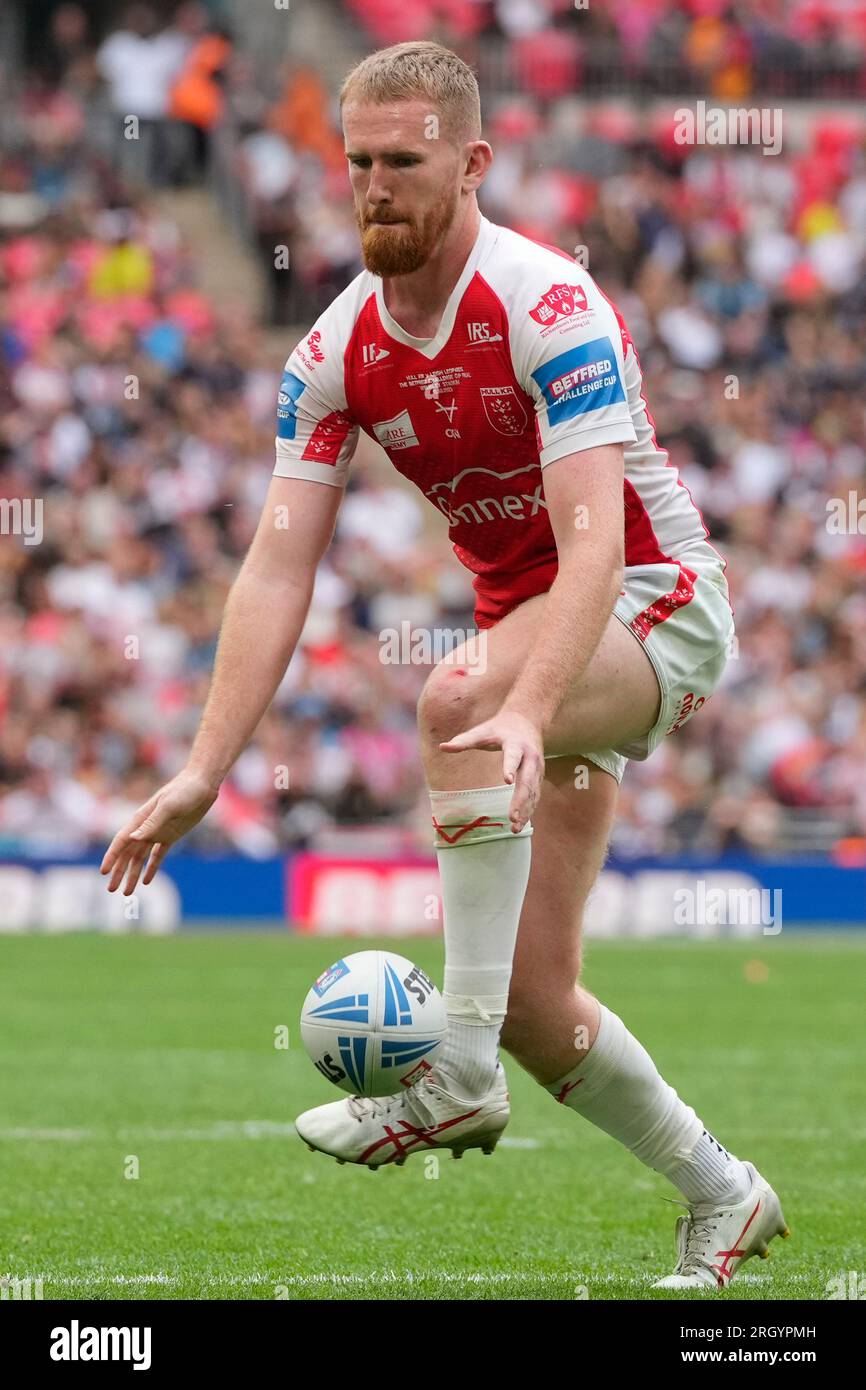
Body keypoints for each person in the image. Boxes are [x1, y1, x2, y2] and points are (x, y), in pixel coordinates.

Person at [101, 41, 788, 1291]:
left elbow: (590, 546)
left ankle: (453, 1077)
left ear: (472, 165)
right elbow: (273, 568)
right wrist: (204, 769)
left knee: (454, 699)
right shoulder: (328, 354)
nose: (372, 187)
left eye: (402, 164)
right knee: (535, 996)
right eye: (356, 162)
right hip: (542, 643)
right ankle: (722, 1192)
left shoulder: (548, 305)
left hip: (653, 604)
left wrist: (523, 706)